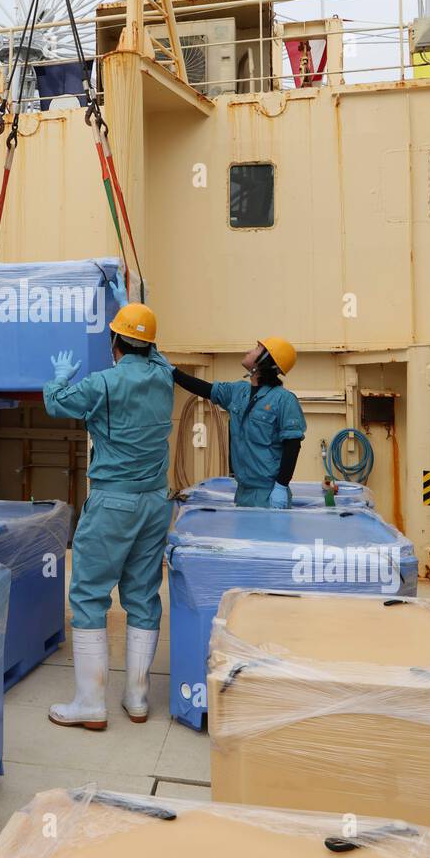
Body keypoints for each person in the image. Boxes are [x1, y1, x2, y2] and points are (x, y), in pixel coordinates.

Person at [42, 299, 174, 732]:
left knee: (88, 596)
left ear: (115, 341)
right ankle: (136, 699)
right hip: (155, 504)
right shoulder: (164, 377)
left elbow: (57, 403)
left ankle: (90, 703)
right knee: (142, 595)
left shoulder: (103, 382)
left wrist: (58, 378)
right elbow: (155, 352)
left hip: (114, 502)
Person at [172, 339, 306, 507]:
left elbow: (292, 445)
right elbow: (205, 389)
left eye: (257, 348)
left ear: (266, 360)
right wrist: (172, 371)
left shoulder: (284, 399)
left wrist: (281, 486)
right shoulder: (238, 391)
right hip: (242, 492)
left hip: (269, 494)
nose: (249, 351)